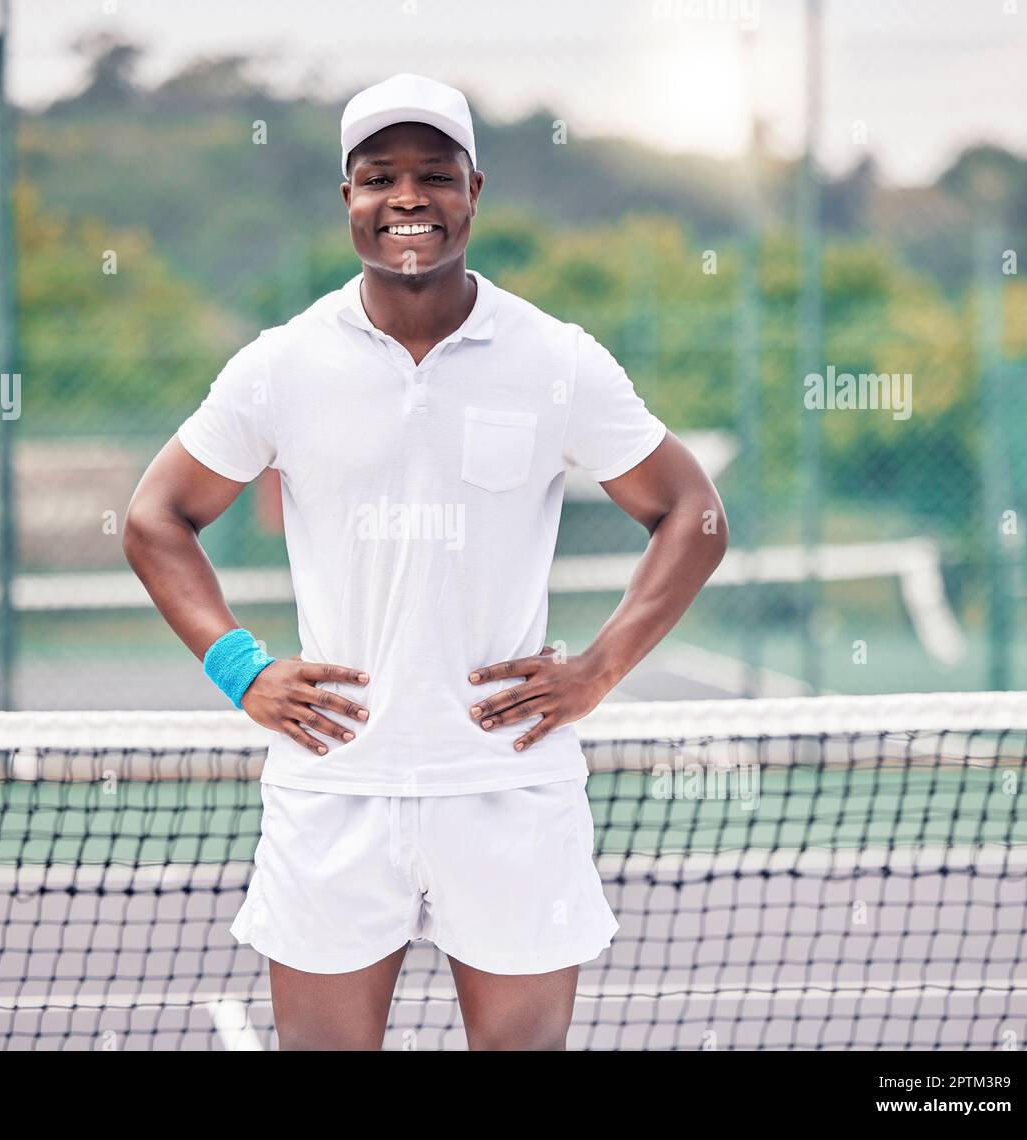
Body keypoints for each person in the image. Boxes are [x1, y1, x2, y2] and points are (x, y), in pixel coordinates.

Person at [122, 73, 728, 1050]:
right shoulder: (281, 365)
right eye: (378, 177)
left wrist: (598, 669)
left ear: (474, 191)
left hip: (509, 790)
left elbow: (692, 512)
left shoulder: (556, 358)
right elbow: (154, 517)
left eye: (434, 175)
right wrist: (242, 669)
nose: (407, 198)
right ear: (348, 200)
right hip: (332, 789)